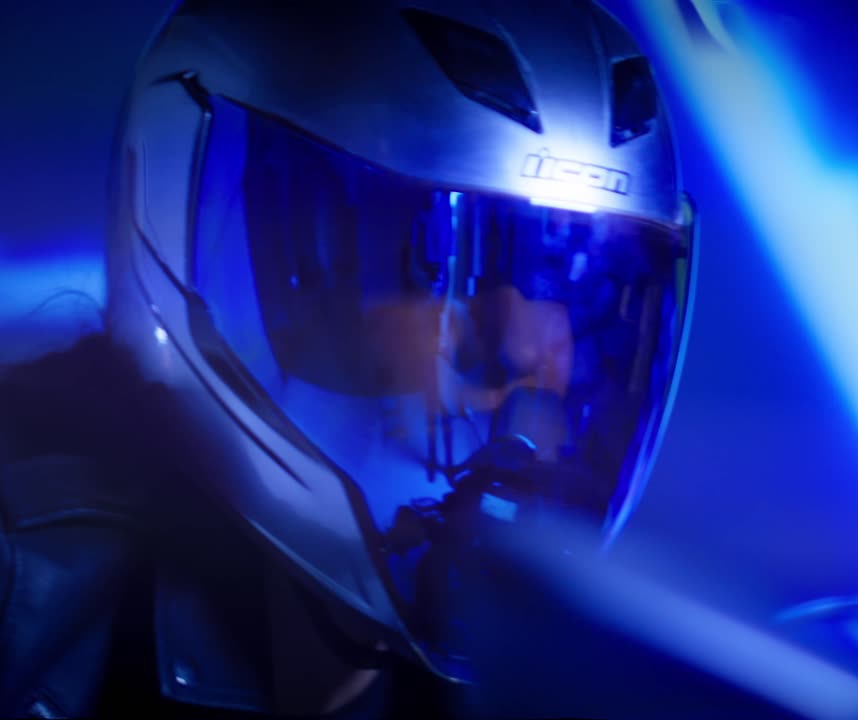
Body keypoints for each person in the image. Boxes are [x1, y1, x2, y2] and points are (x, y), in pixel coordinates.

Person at [0, 0, 696, 717]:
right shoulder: (29, 607)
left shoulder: (571, 669)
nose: (525, 350)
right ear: (278, 267)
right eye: (434, 266)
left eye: (574, 288)